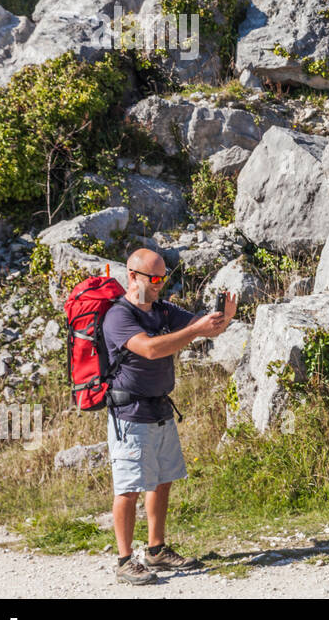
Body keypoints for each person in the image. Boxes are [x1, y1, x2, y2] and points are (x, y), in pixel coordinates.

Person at [101, 247, 236, 585]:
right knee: (129, 488)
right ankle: (123, 560)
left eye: (164, 278)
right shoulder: (119, 316)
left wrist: (223, 318)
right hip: (129, 413)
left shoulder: (163, 309)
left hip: (160, 408)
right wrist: (195, 331)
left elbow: (205, 328)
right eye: (155, 278)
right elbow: (149, 348)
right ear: (133, 276)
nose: (161, 284)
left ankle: (156, 549)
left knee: (163, 480)